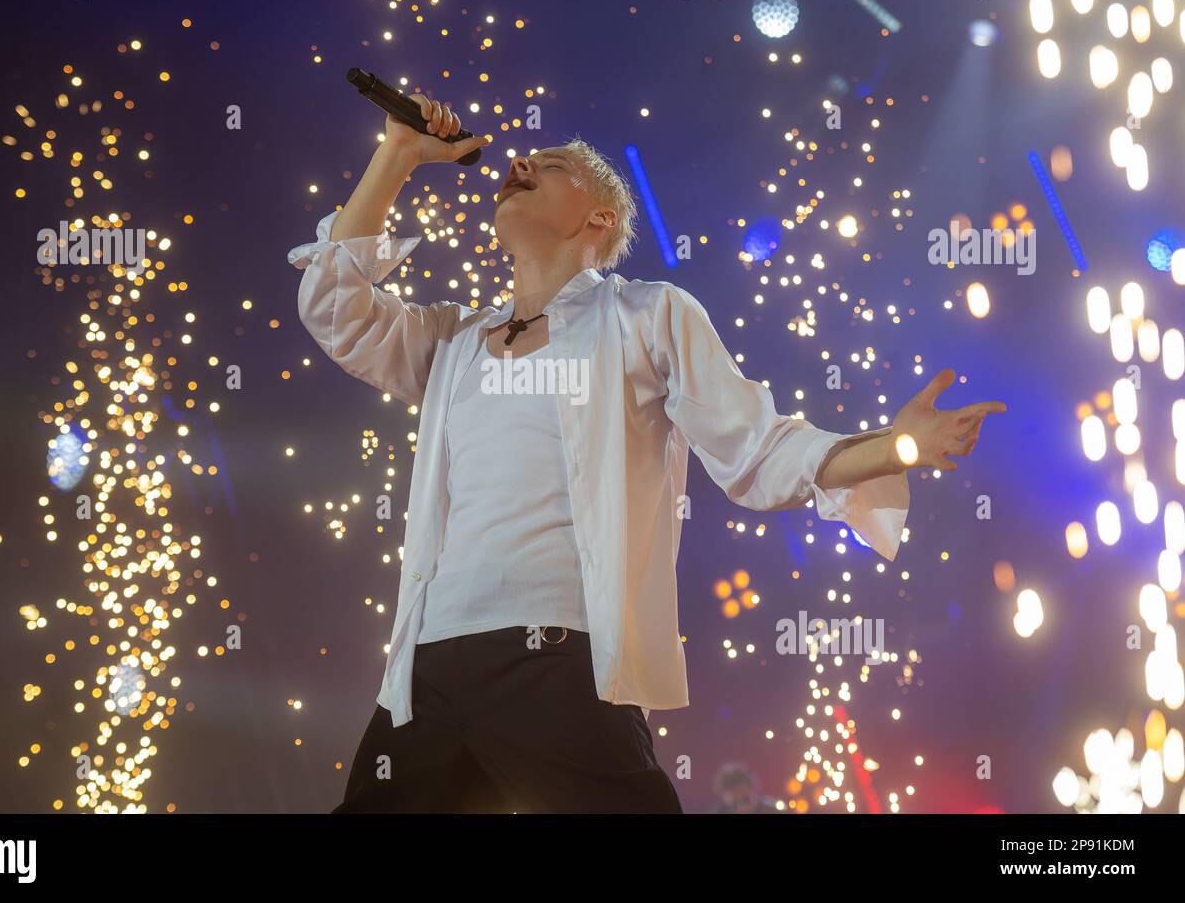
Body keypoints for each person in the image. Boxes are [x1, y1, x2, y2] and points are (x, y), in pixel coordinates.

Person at [290, 95, 1006, 813]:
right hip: (427, 671)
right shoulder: (452, 339)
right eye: (522, 162)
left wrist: (897, 446)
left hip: (557, 657)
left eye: (551, 165)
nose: (517, 164)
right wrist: (399, 156)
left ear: (599, 219)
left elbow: (757, 451)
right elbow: (335, 309)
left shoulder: (646, 316)